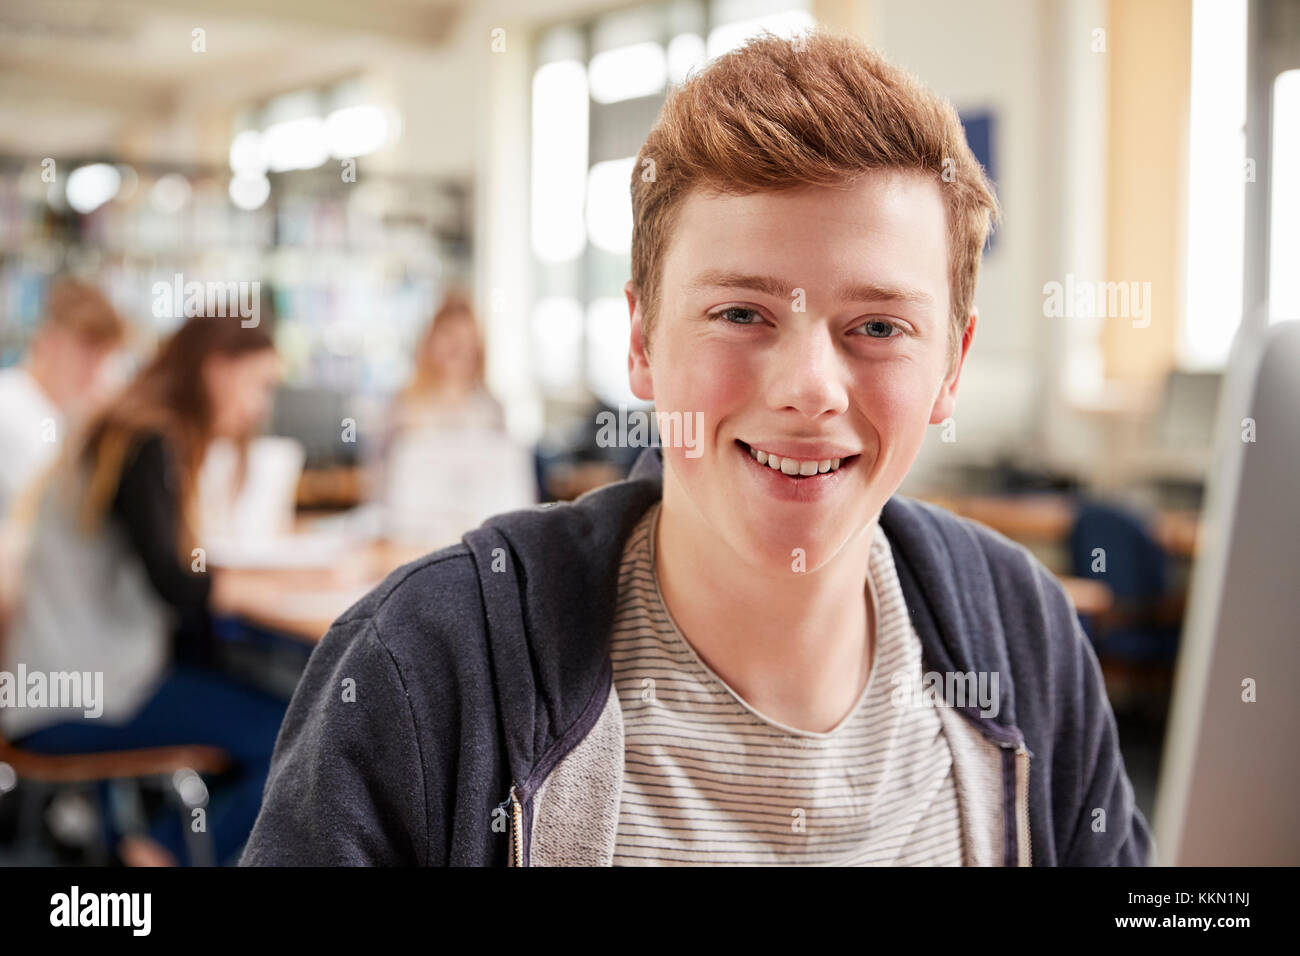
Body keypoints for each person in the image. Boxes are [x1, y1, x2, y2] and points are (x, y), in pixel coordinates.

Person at [242, 30, 1152, 866]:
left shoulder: (1024, 635)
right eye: (741, 314)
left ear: (952, 364)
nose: (809, 388)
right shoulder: (428, 667)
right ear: (641, 343)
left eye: (877, 325)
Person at [1, 313, 290, 867]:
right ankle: (159, 851)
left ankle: (153, 846)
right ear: (217, 369)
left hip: (62, 683)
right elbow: (177, 583)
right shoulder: (143, 436)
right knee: (297, 729)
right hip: (84, 697)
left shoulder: (126, 421)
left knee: (259, 696)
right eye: (259, 385)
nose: (259, 407)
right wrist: (268, 588)